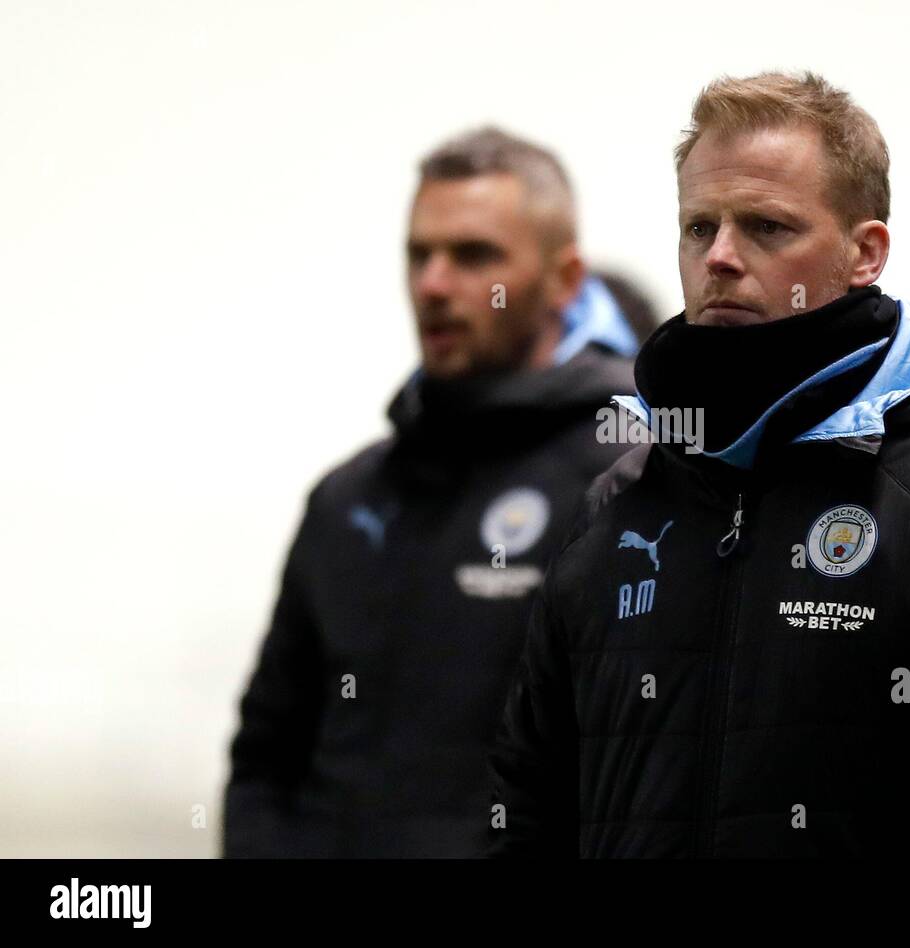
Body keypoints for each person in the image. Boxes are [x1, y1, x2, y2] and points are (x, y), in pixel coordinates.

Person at [485, 72, 910, 858]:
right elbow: (526, 819)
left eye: (766, 227)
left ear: (864, 253)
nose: (721, 258)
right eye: (699, 228)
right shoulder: (619, 505)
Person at [223, 126, 639, 857]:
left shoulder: (626, 485)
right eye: (420, 255)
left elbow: (636, 779)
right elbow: (265, 756)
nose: (435, 284)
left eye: (475, 256)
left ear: (564, 280)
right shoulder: (348, 498)